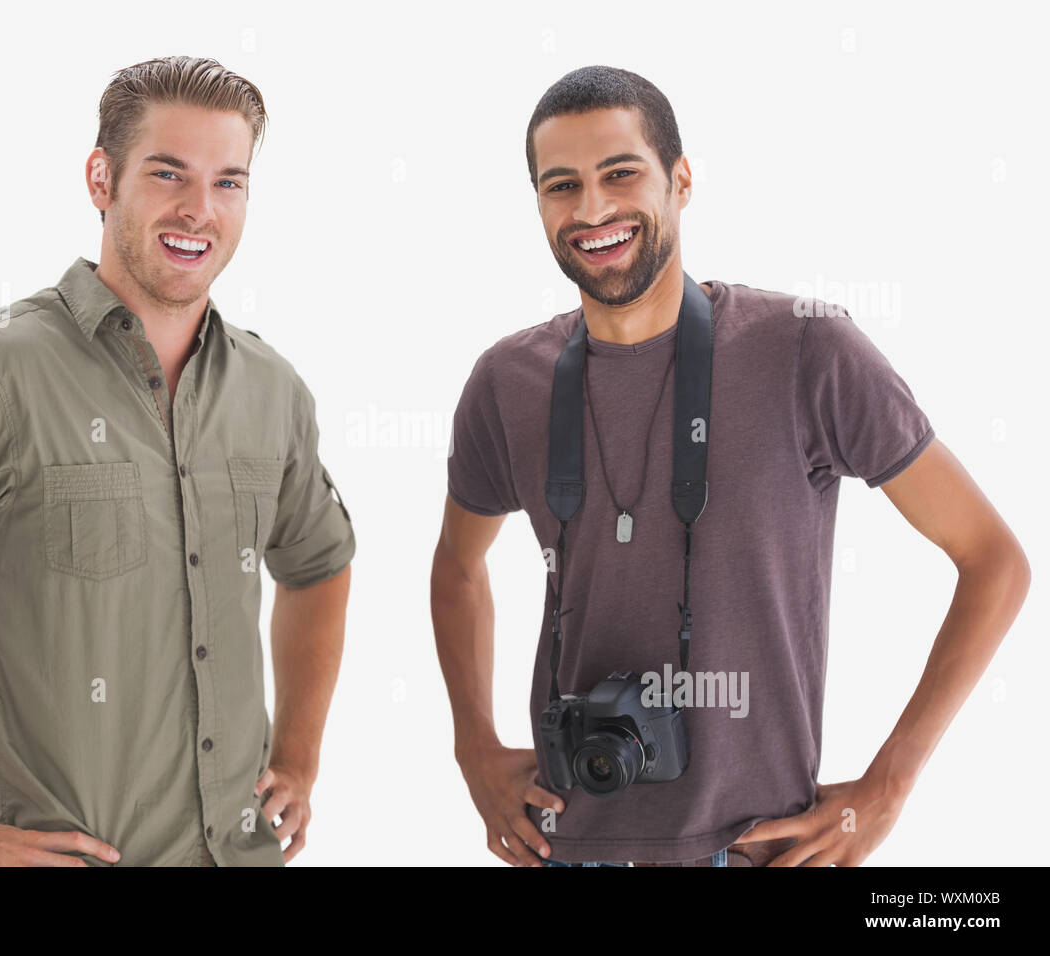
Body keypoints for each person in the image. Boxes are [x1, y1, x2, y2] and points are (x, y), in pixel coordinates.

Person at [430, 65, 1030, 867]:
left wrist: (888, 787)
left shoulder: (806, 350)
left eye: (621, 173)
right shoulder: (507, 381)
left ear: (680, 180)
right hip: (565, 840)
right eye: (560, 185)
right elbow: (457, 567)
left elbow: (994, 561)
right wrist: (474, 748)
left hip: (756, 847)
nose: (593, 208)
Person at [0, 55, 355, 867]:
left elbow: (319, 563)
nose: (200, 211)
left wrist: (297, 758)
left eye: (229, 182)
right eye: (169, 174)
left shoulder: (272, 390)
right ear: (101, 179)